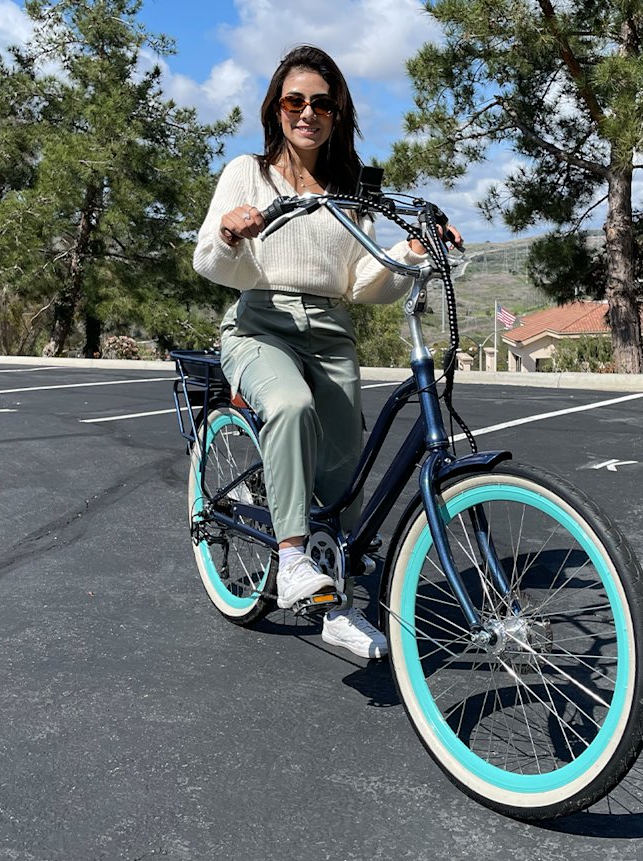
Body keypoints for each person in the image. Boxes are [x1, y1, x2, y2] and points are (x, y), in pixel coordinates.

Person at [193, 45, 460, 660]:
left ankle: (331, 601)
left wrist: (412, 255)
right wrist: (232, 232)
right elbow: (209, 260)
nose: (306, 112)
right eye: (294, 101)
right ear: (276, 110)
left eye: (320, 102)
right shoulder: (246, 173)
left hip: (333, 331)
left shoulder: (349, 189)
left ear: (337, 112)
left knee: (344, 468)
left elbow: (363, 282)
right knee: (288, 406)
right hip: (262, 322)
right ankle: (290, 558)